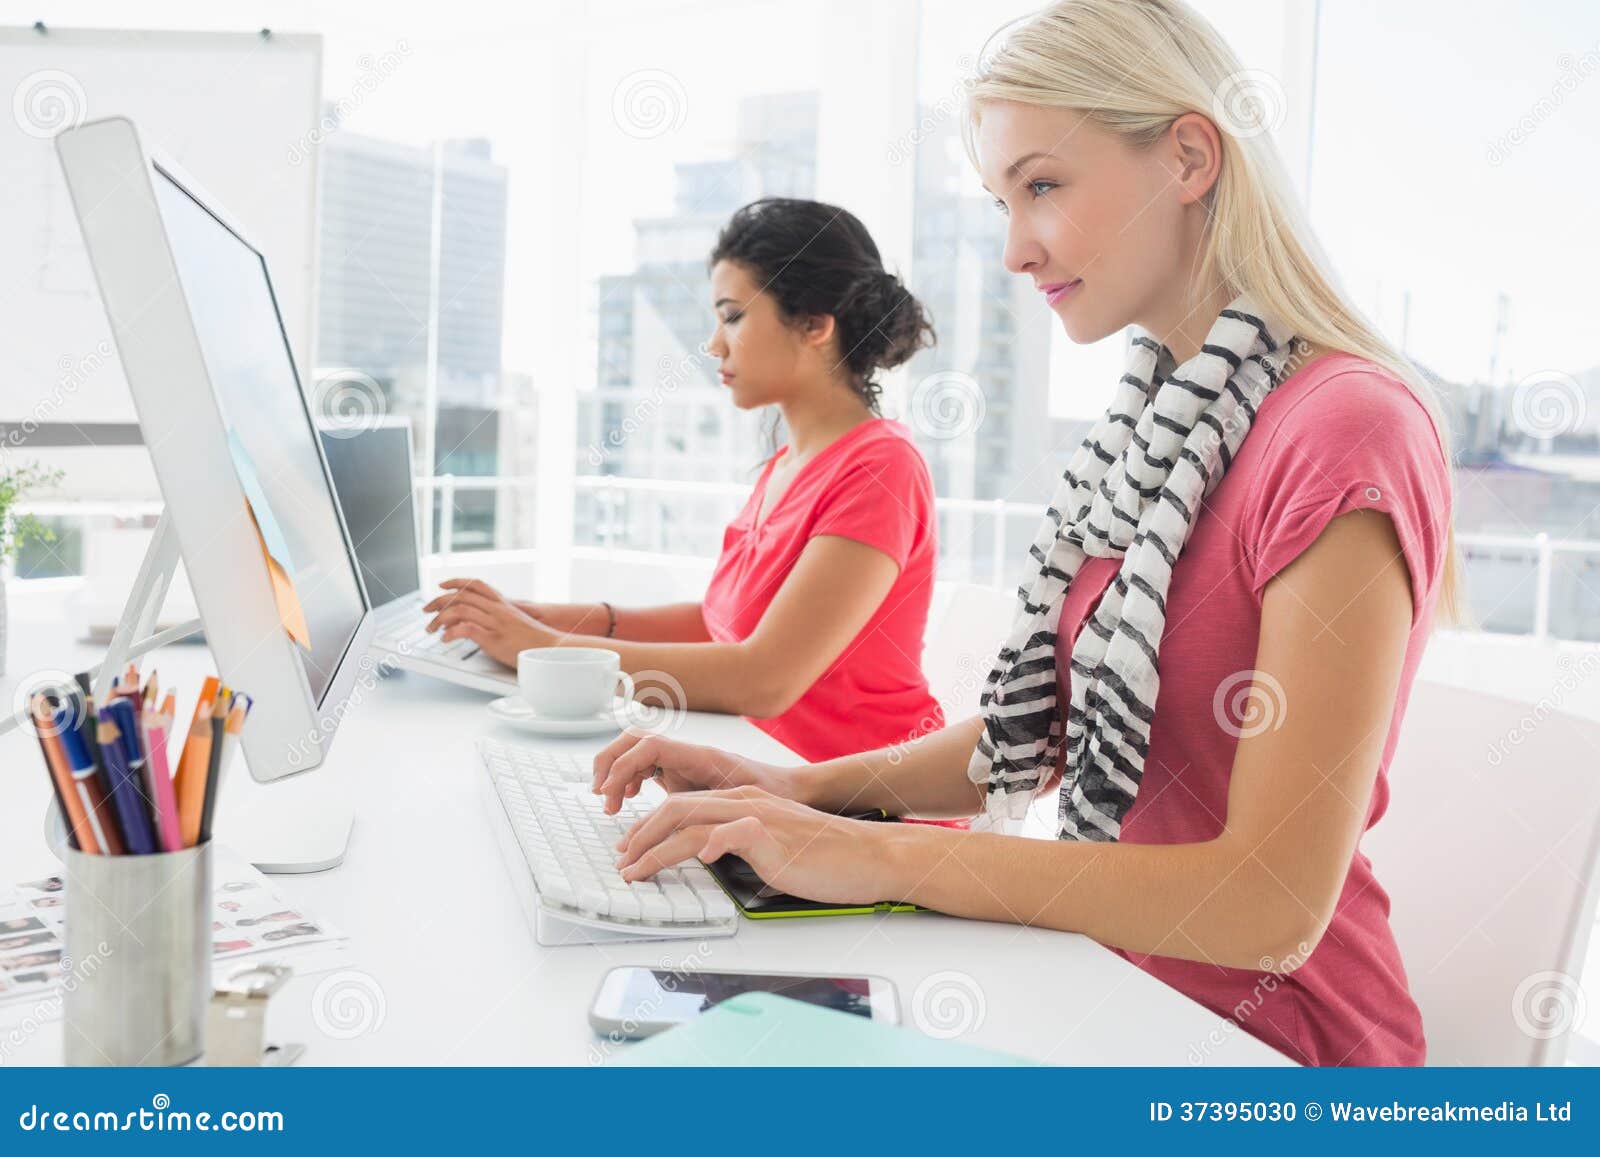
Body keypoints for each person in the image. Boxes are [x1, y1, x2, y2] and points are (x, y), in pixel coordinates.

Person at [590, 0, 1465, 1067]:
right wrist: (799, 790)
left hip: (1267, 1051)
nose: (1014, 249)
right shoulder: (1159, 427)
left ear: (1189, 155)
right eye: (1003, 200)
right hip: (1101, 985)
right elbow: (1047, 731)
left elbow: (1267, 903)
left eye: (1042, 185)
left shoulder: (1344, 427)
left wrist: (873, 855)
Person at [424, 198, 946, 764]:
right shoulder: (786, 464)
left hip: (867, 809)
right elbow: (720, 625)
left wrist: (545, 650)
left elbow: (764, 680)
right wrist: (568, 620)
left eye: (734, 315)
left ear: (816, 323)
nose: (714, 343)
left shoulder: (879, 467)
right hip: (770, 786)